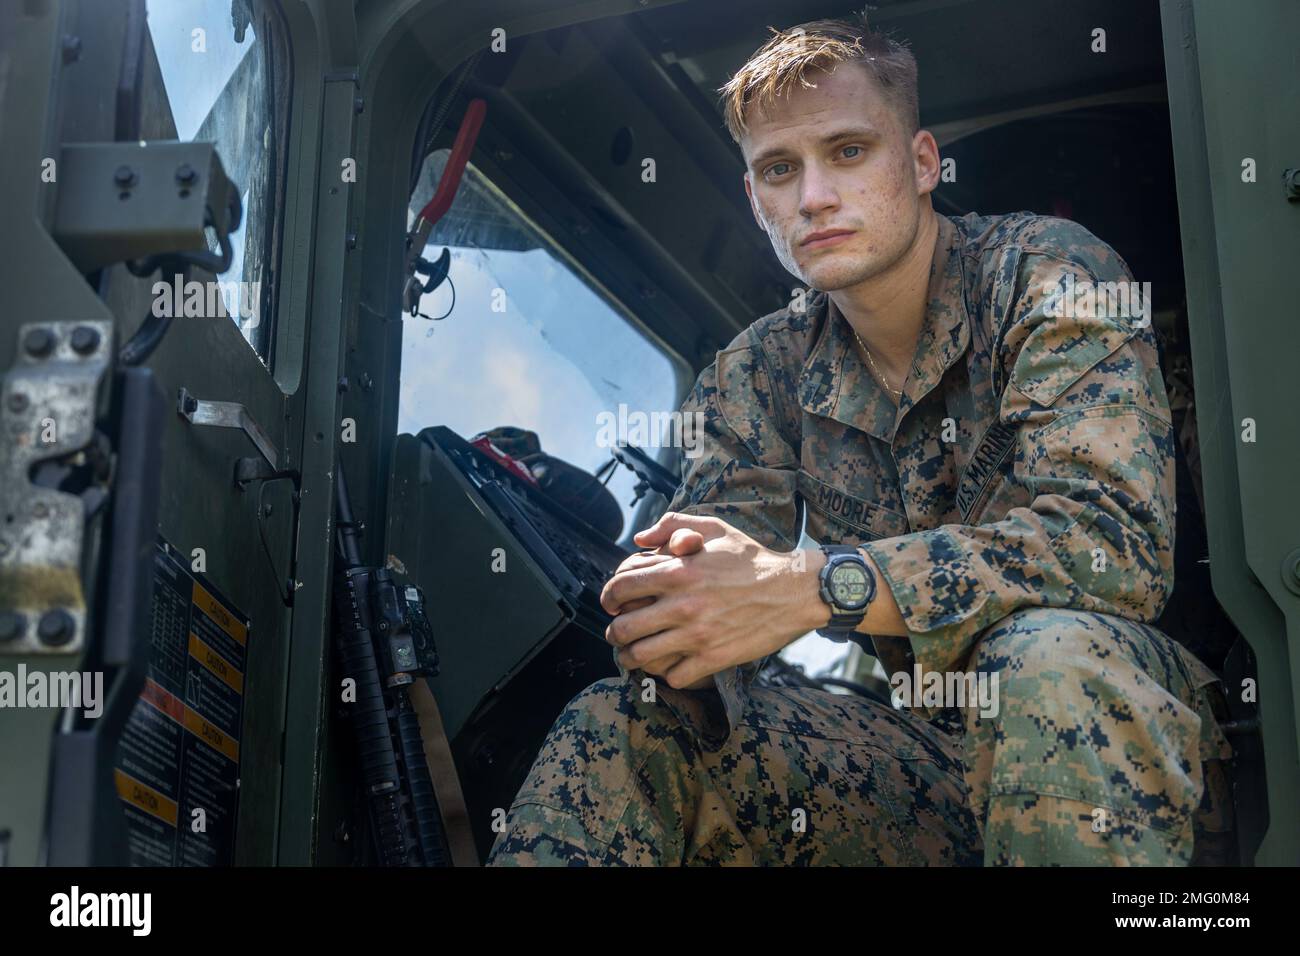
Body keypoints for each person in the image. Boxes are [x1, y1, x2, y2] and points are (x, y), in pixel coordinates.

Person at [487, 11, 1234, 866]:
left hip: (1136, 749)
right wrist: (678, 624)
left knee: (1047, 658)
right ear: (754, 200)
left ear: (921, 163)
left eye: (847, 152)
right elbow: (712, 594)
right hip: (931, 768)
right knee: (628, 727)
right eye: (779, 169)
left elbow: (1114, 551)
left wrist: (818, 586)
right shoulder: (760, 371)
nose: (813, 198)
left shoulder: (1046, 274)